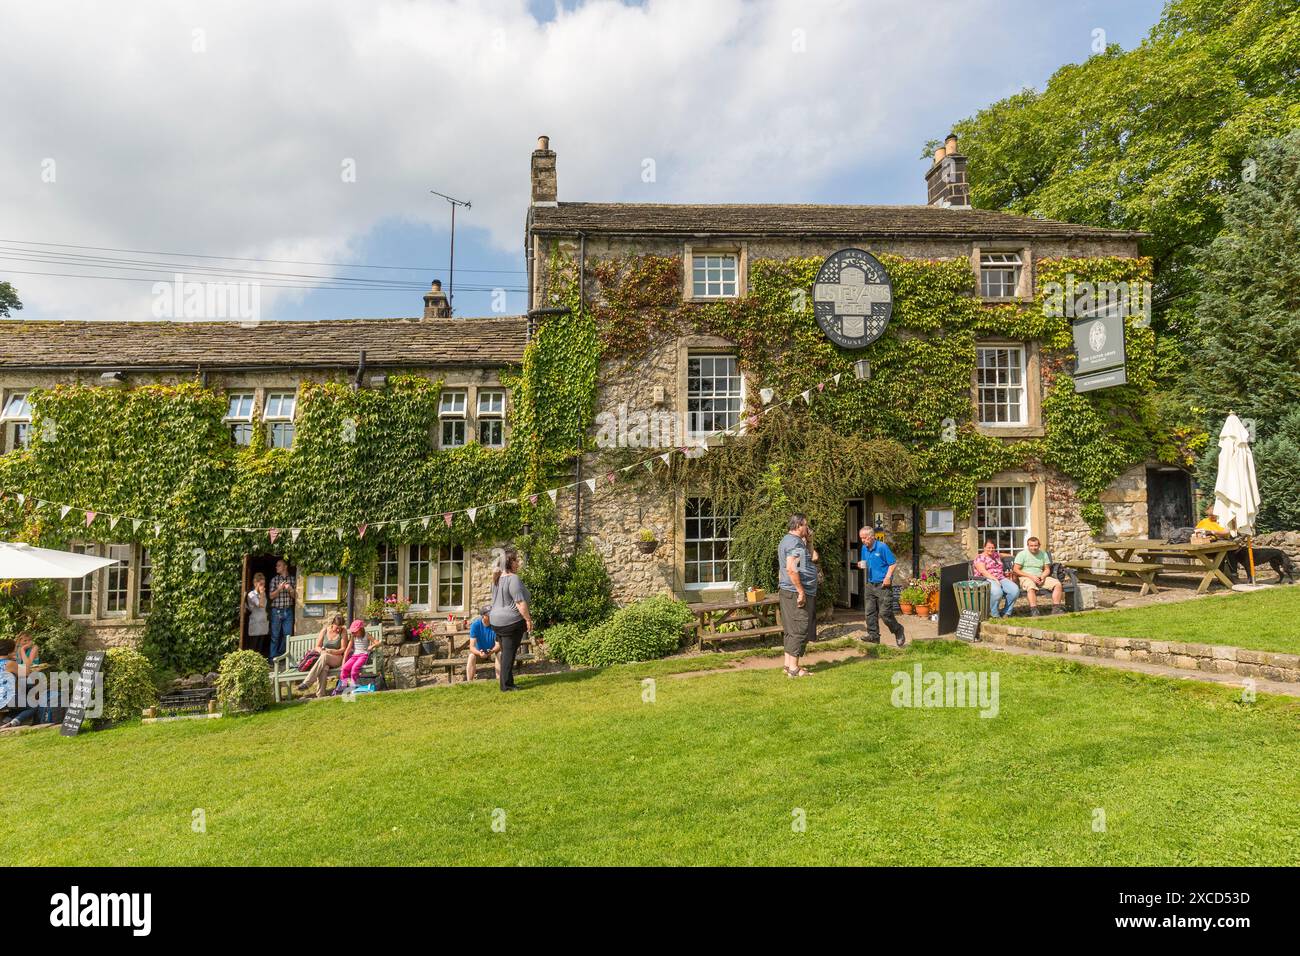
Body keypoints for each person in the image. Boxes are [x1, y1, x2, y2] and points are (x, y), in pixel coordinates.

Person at [777, 513, 819, 677]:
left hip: (788, 590)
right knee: (799, 628)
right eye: (805, 525)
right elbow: (791, 568)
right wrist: (801, 591)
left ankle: (788, 665)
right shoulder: (794, 543)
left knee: (790, 629)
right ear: (798, 526)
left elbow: (812, 558)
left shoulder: (789, 541)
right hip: (795, 592)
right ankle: (794, 669)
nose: (807, 528)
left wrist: (809, 541)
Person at [488, 549, 533, 692]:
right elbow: (520, 602)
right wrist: (528, 619)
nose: (518, 563)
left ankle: (506, 682)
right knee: (509, 654)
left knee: (506, 653)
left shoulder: (496, 579)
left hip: (496, 622)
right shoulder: (513, 579)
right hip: (510, 622)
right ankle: (506, 685)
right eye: (515, 560)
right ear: (509, 562)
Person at [859, 527, 906, 647]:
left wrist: (888, 577)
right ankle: (873, 636)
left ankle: (898, 630)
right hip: (870, 584)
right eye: (861, 538)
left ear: (872, 536)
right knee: (869, 613)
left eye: (865, 538)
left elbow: (892, 564)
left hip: (883, 586)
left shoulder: (882, 547)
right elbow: (865, 562)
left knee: (885, 613)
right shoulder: (864, 548)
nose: (863, 540)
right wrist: (861, 564)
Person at [296, 614, 351, 698]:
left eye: (340, 627)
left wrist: (331, 651)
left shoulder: (343, 631)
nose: (338, 629)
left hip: (337, 658)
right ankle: (321, 695)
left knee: (324, 656)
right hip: (324, 659)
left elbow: (343, 649)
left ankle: (307, 683)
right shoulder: (325, 630)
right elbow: (317, 646)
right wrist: (321, 651)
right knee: (324, 667)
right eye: (337, 627)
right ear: (332, 624)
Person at [1013, 537, 1064, 615]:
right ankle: (1034, 610)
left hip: (1040, 576)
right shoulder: (1022, 554)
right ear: (1028, 546)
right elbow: (1016, 569)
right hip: (1026, 577)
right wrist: (1031, 576)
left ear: (1039, 545)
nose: (1034, 548)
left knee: (1057, 584)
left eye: (1036, 545)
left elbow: (1047, 569)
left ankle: (1056, 608)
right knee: (1031, 587)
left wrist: (1043, 576)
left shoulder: (1043, 554)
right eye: (1031, 546)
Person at [973, 539, 1020, 618]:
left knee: (1015, 590)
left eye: (993, 548)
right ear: (984, 548)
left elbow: (1002, 554)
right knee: (997, 592)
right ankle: (994, 614)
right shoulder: (980, 558)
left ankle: (1006, 612)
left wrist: (1013, 556)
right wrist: (995, 579)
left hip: (1000, 578)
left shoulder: (995, 555)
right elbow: (983, 571)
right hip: (985, 579)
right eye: (989, 547)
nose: (991, 549)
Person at [267, 559, 296, 662]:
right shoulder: (274, 580)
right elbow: (271, 596)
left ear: (285, 566)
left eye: (278, 565)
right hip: (276, 611)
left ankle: (281, 655)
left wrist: (290, 590)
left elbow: (295, 597)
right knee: (275, 636)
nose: (276, 567)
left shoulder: (292, 579)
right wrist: (279, 589)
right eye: (276, 565)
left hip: (288, 611)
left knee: (287, 635)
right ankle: (272, 658)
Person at [334, 619, 372, 694]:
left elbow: (377, 642)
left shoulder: (366, 635)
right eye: (353, 632)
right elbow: (348, 649)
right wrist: (343, 662)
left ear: (361, 630)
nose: (354, 633)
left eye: (356, 631)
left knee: (354, 668)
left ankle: (353, 687)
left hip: (363, 655)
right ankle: (343, 686)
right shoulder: (353, 636)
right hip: (355, 656)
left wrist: (372, 646)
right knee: (344, 668)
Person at [466, 606, 499, 682]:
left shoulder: (496, 625)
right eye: (489, 615)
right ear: (483, 616)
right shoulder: (475, 625)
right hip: (479, 653)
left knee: (500, 654)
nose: (492, 616)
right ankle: (469, 682)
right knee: (471, 656)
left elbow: (498, 645)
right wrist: (479, 653)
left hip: (492, 652)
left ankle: (499, 680)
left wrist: (492, 651)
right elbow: (472, 647)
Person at [246, 572, 270, 657]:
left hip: (263, 622)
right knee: (253, 647)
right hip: (255, 623)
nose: (262, 586)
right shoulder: (251, 594)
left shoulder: (263, 594)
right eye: (261, 584)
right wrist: (262, 593)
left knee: (260, 647)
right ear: (255, 583)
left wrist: (262, 593)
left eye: (263, 584)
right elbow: (261, 604)